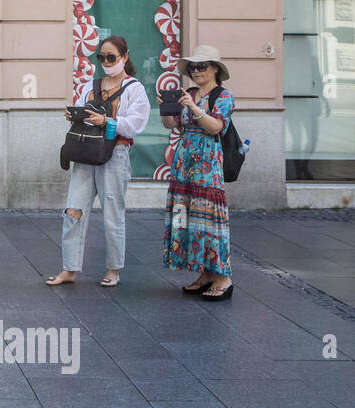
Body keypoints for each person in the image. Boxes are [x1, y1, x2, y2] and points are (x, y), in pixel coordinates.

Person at [46, 36, 150, 289]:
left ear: (124, 57)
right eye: (101, 57)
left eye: (111, 57)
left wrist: (106, 122)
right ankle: (69, 268)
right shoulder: (90, 85)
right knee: (73, 210)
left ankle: (113, 269)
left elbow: (137, 123)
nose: (105, 62)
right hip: (85, 154)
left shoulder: (134, 88)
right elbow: (82, 114)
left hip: (115, 154)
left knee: (113, 214)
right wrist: (75, 115)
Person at [161, 45, 235, 301]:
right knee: (188, 215)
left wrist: (193, 107)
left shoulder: (223, 96)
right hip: (184, 161)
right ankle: (204, 273)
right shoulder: (189, 92)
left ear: (216, 68)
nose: (196, 71)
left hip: (207, 163)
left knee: (210, 219)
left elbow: (215, 127)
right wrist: (168, 110)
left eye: (202, 66)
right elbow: (175, 126)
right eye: (193, 67)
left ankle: (223, 277)